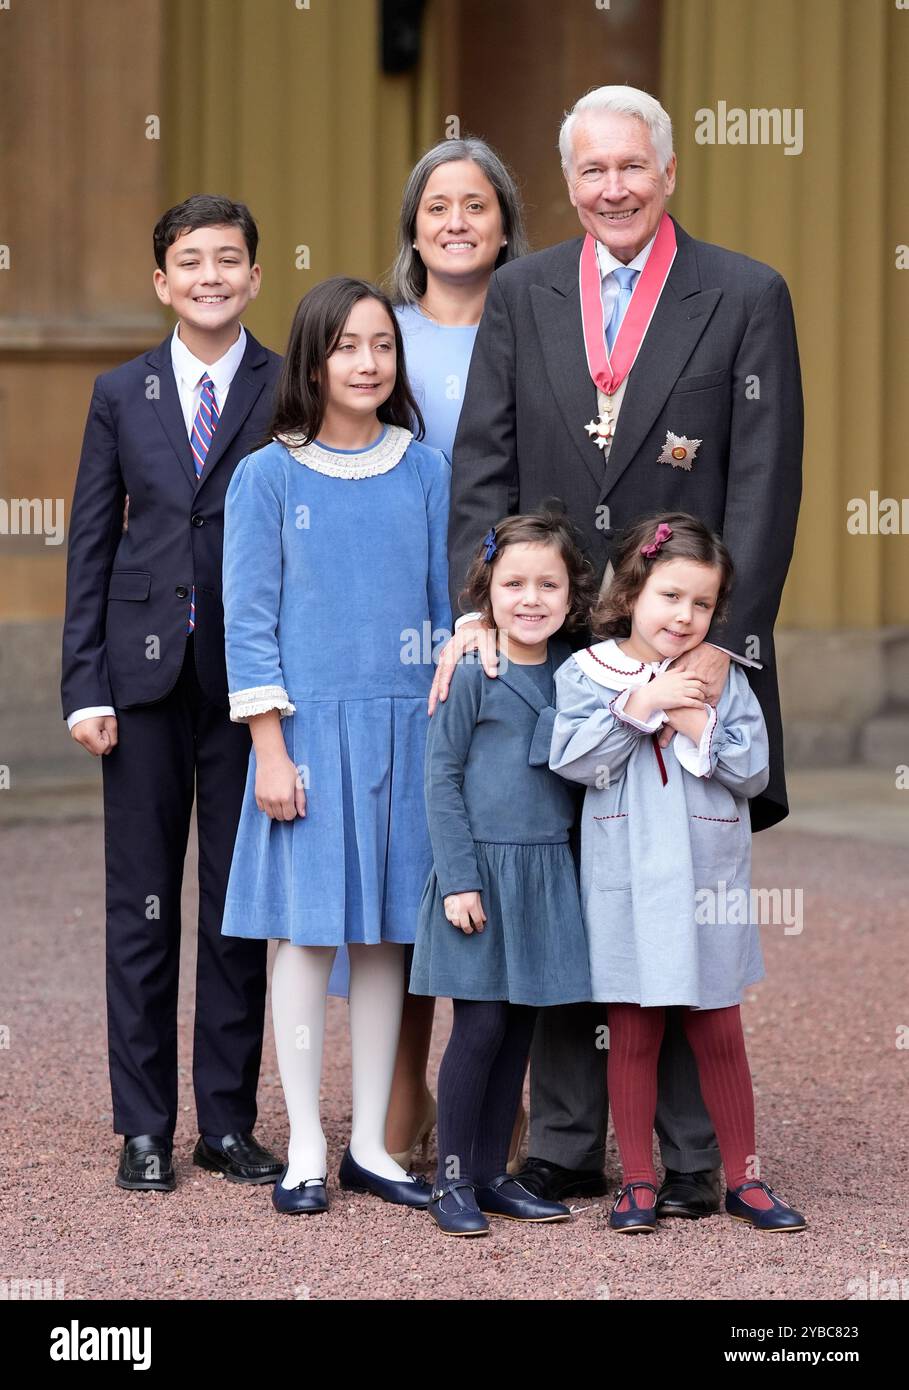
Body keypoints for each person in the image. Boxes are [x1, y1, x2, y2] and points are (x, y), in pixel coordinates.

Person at [433, 84, 803, 1215]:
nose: (612, 189)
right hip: (554, 657)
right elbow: (483, 469)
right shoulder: (523, 293)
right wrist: (481, 611)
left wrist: (723, 649)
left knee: (683, 891)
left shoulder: (744, 294)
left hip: (689, 646)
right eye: (591, 171)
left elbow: (766, 482)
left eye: (631, 167)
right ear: (569, 181)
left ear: (669, 169)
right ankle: (566, 1139)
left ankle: (691, 1157)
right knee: (562, 884)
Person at [61, 195, 284, 1193]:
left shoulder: (288, 387)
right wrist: (84, 684)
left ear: (254, 277)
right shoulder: (121, 393)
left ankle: (226, 1122)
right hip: (141, 683)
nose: (209, 276)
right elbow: (93, 547)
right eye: (190, 261)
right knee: (142, 908)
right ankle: (144, 1124)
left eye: (227, 260)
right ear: (162, 281)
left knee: (239, 905)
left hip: (249, 689)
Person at [220, 276, 450, 1216]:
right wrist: (271, 751)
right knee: (307, 935)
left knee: (389, 931)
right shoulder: (267, 474)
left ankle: (371, 1145)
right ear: (311, 361)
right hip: (306, 732)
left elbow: (443, 616)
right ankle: (306, 1145)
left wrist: (445, 742)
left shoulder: (424, 469)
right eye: (346, 346)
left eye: (382, 347)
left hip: (406, 726)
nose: (366, 363)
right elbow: (249, 621)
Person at [326, 137, 530, 1173]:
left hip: (505, 621)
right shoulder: (380, 337)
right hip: (394, 624)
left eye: (476, 204)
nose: (456, 220)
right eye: (436, 204)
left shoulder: (537, 324)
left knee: (501, 851)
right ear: (413, 225)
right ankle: (393, 1107)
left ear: (505, 222)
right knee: (411, 863)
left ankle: (504, 1112)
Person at [550, 514, 806, 1234]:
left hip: (705, 884)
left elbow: (753, 772)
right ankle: (635, 1180)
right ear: (632, 591)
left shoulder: (723, 678)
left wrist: (699, 724)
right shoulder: (585, 673)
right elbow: (573, 760)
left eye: (700, 603)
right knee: (631, 1033)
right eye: (669, 596)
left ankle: (744, 1180)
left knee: (718, 1030)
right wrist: (645, 704)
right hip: (626, 881)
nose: (683, 616)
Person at [410, 512, 595, 1235]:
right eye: (513, 583)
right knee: (479, 1028)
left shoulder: (576, 670)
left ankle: (492, 1173)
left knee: (520, 1029)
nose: (530, 598)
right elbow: (441, 777)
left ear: (570, 595)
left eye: (547, 584)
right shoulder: (471, 670)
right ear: (485, 592)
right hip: (481, 874)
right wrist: (458, 879)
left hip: (545, 873)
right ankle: (450, 1181)